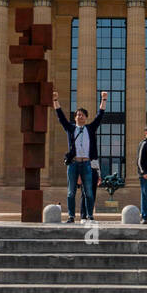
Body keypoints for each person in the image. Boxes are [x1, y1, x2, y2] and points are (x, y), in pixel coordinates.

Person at [54, 89, 108, 224]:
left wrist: (104, 99)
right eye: (78, 115)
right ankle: (71, 216)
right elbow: (60, 117)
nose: (80, 116)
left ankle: (90, 216)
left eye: (83, 115)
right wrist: (55, 100)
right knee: (71, 192)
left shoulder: (90, 128)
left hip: (87, 164)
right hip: (73, 163)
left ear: (86, 117)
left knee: (89, 192)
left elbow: (100, 116)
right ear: (75, 117)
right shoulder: (71, 129)